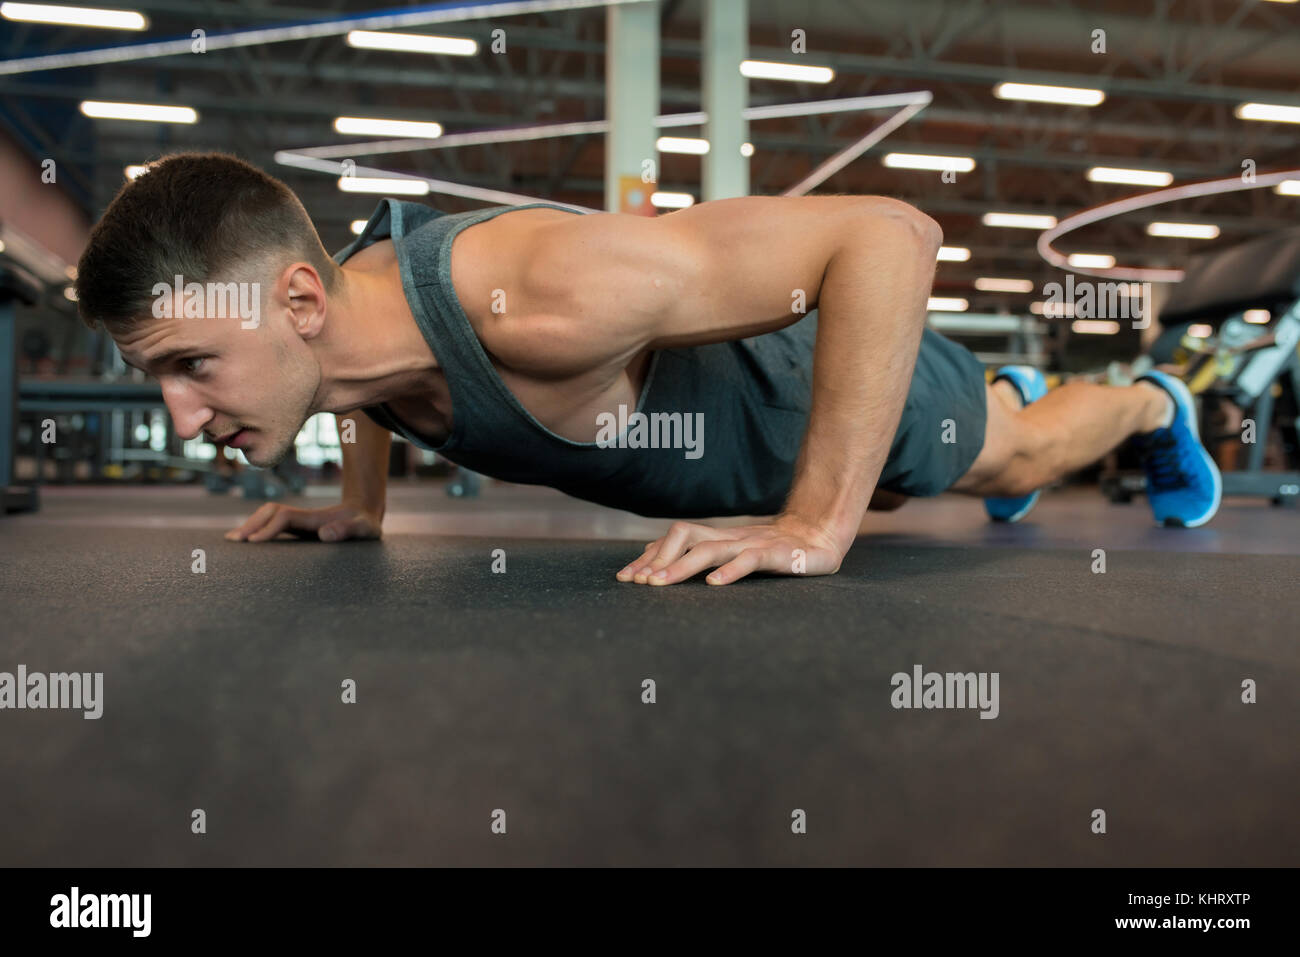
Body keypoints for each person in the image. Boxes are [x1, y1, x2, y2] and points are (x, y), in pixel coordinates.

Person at [73, 153, 1221, 587]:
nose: (180, 418)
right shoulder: (338, 332)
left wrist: (817, 526)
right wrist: (357, 506)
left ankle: (1143, 399)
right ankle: (1008, 413)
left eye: (191, 367)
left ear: (298, 302)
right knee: (996, 440)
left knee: (1011, 455)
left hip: (816, 398)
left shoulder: (546, 290)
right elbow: (357, 381)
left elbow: (887, 236)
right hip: (742, 447)